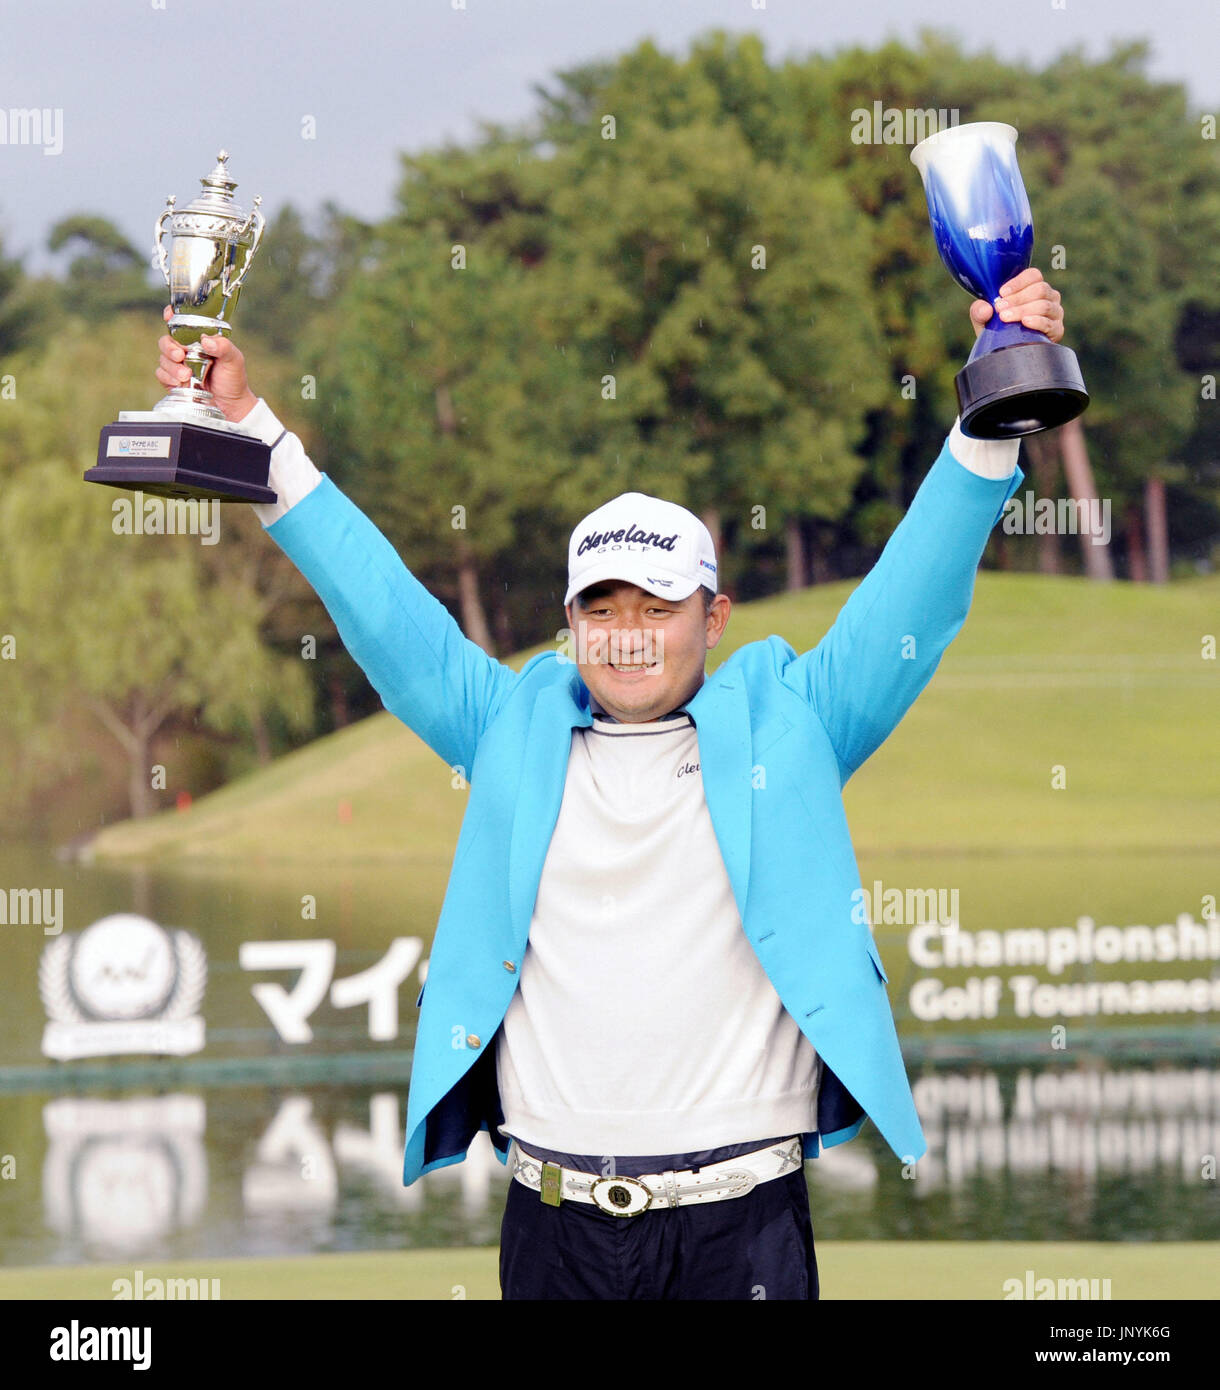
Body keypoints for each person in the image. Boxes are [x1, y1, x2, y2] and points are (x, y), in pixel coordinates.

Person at [156, 268, 1063, 1300]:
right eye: (600, 610)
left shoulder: (795, 721)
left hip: (741, 1230)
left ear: (711, 619)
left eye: (655, 607)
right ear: (570, 619)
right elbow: (385, 617)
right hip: (553, 1231)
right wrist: (251, 430)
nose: (625, 637)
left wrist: (998, 404)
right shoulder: (508, 724)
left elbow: (918, 585)